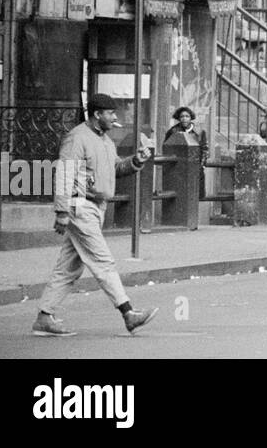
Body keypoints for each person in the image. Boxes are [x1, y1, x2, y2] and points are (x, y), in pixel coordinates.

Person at [31, 94, 158, 337]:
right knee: (102, 260)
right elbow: (65, 174)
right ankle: (128, 313)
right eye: (111, 113)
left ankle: (44, 317)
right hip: (80, 205)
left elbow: (115, 169)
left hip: (96, 207)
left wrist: (136, 162)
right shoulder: (77, 138)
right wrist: (62, 210)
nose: (115, 117)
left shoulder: (105, 140)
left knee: (69, 266)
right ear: (97, 114)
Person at [163, 106, 208, 198]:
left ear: (191, 118)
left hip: (195, 166)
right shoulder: (173, 131)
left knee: (195, 194)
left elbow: (205, 148)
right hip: (180, 167)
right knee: (181, 194)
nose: (184, 119)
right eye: (182, 116)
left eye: (187, 116)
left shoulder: (200, 132)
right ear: (179, 118)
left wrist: (202, 164)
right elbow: (166, 147)